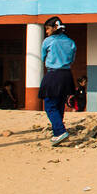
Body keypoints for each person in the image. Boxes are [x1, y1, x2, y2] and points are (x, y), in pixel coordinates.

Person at [40, 16, 76, 146]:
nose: (47, 32)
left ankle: (60, 131)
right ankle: (57, 133)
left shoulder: (48, 41)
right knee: (60, 104)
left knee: (49, 105)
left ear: (55, 28)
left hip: (53, 75)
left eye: (48, 29)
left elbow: (43, 57)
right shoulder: (71, 42)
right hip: (67, 75)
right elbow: (72, 60)